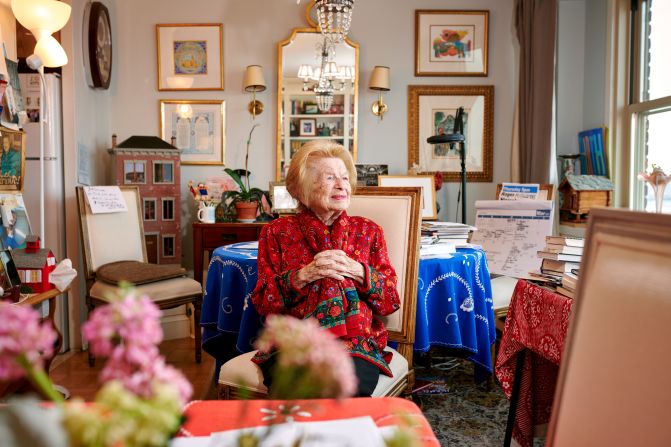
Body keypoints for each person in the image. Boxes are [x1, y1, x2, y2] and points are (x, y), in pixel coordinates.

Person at [251, 140, 400, 397]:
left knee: (346, 391)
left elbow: (390, 301)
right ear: (303, 187)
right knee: (298, 394)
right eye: (330, 178)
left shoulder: (368, 231)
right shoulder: (276, 232)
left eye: (344, 177)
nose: (342, 185)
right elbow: (264, 302)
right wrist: (303, 275)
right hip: (293, 342)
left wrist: (358, 271)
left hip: (356, 343)